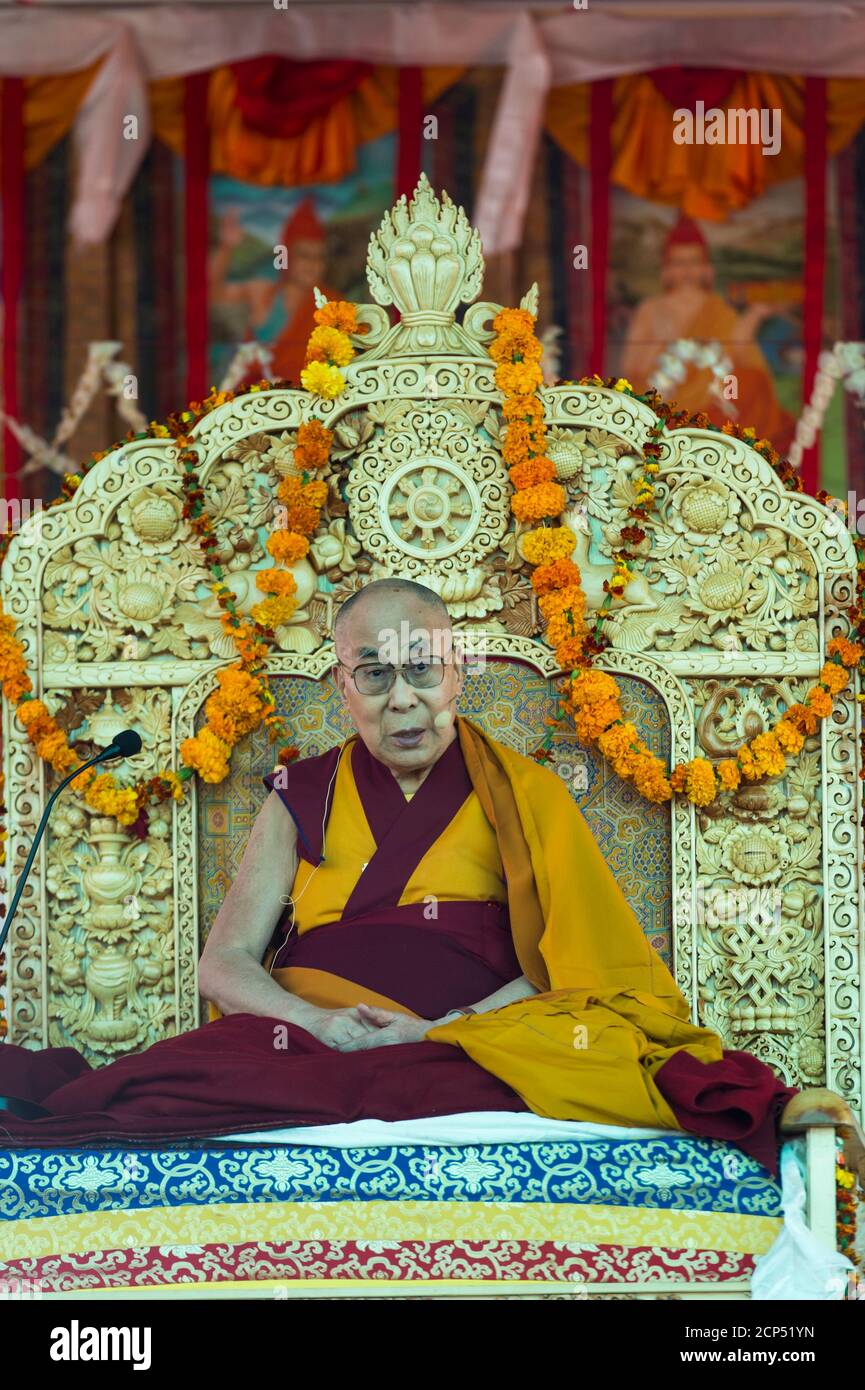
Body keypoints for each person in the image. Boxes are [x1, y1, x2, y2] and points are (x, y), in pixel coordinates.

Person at [1, 579, 862, 1183]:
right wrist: (317, 1024)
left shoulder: (522, 789)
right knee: (151, 1088)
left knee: (571, 1058)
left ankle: (761, 1110)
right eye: (374, 674)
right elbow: (224, 964)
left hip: (475, 1037)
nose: (401, 699)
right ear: (344, 684)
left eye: (422, 670)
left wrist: (444, 1027)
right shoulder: (298, 793)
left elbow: (574, 962)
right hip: (309, 1041)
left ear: (456, 673)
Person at [620, 214, 795, 452]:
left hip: (712, 394)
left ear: (705, 268)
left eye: (693, 262)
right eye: (679, 263)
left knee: (752, 381)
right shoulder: (651, 309)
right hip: (666, 393)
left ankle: (725, 446)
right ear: (667, 269)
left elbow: (738, 351)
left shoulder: (718, 308)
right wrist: (662, 351)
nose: (687, 271)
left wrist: (754, 315)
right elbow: (632, 367)